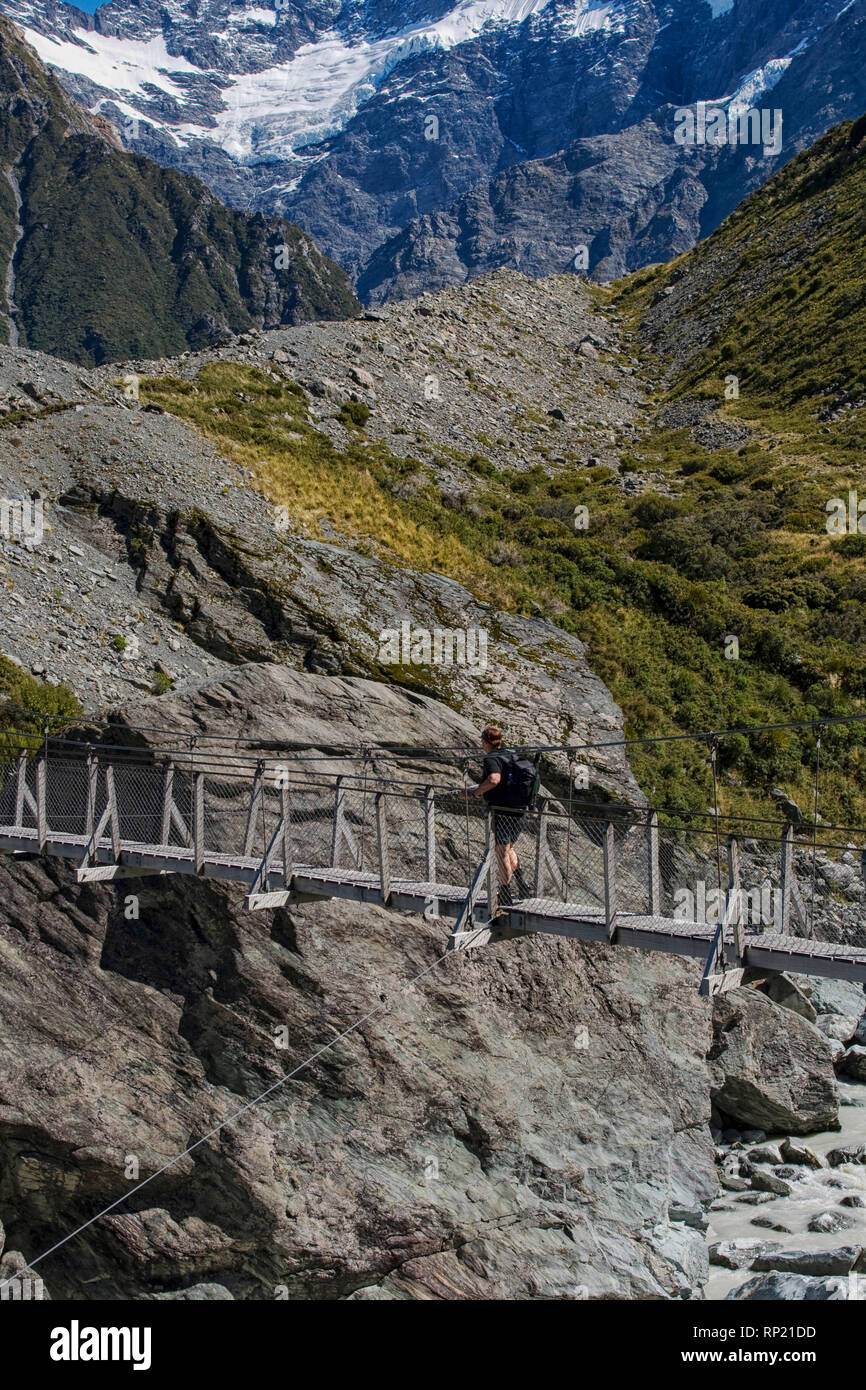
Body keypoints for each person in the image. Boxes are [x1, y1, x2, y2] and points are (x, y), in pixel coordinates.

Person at [467, 725, 532, 905]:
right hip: (519, 809)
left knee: (501, 850)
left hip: (502, 811)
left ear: (485, 742)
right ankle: (524, 887)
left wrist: (475, 792)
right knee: (509, 847)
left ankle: (504, 893)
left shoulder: (491, 758)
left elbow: (494, 779)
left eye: (482, 740)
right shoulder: (513, 755)